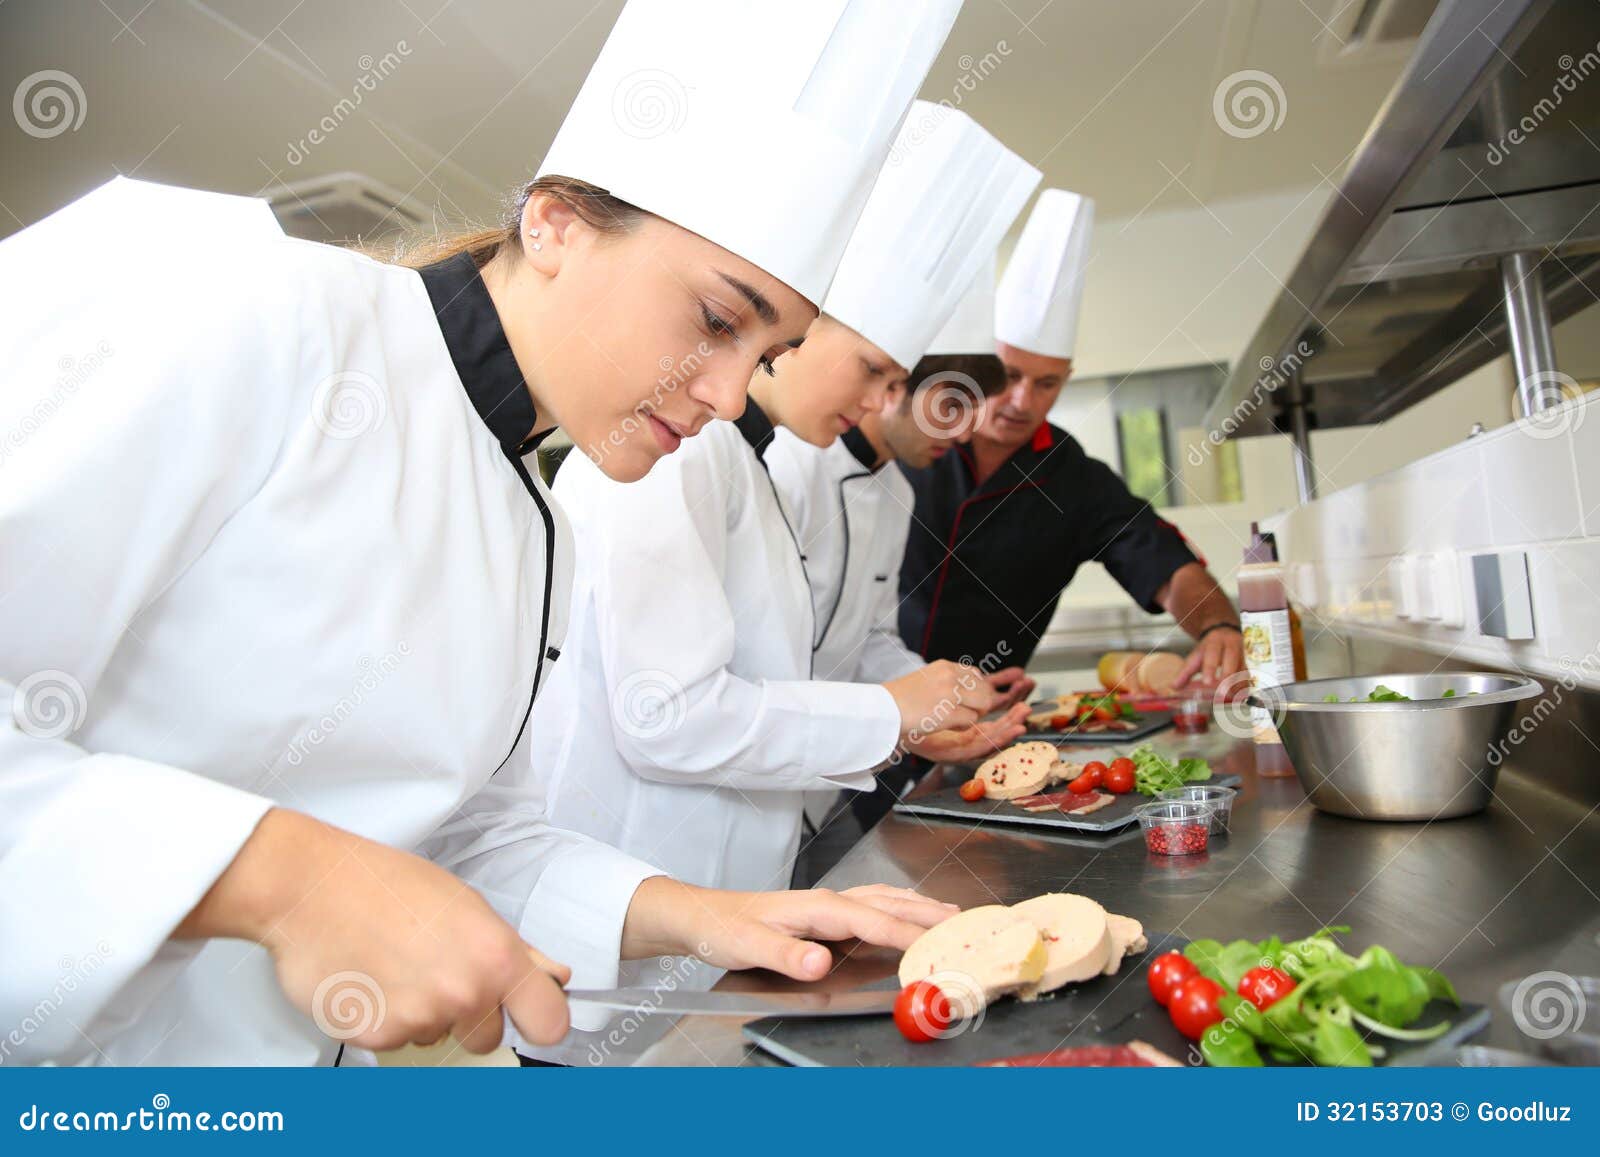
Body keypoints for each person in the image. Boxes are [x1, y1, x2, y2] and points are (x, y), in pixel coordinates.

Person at [0, 0, 965, 1066]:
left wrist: (707, 913)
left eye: (767, 350)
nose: (732, 391)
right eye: (716, 319)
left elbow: (466, 832)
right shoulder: (241, 305)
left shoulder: (530, 516)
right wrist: (277, 875)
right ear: (552, 223)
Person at [523, 103, 1036, 1064]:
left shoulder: (738, 462)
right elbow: (664, 714)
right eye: (875, 370)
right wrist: (890, 715)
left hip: (723, 928)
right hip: (631, 934)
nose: (882, 404)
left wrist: (915, 700)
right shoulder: (674, 454)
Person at [897, 188, 1246, 690]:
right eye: (1009, 374)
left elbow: (1168, 566)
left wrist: (1218, 625)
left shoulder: (1075, 482)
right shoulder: (913, 444)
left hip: (981, 721)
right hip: (867, 707)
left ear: (1067, 378)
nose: (1021, 400)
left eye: (1046, 383)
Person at [765, 259, 1037, 831]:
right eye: (950, 408)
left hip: (823, 788)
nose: (964, 434)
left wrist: (943, 698)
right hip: (764, 768)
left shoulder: (896, 492)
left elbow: (871, 637)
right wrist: (895, 716)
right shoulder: (788, 465)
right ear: (892, 389)